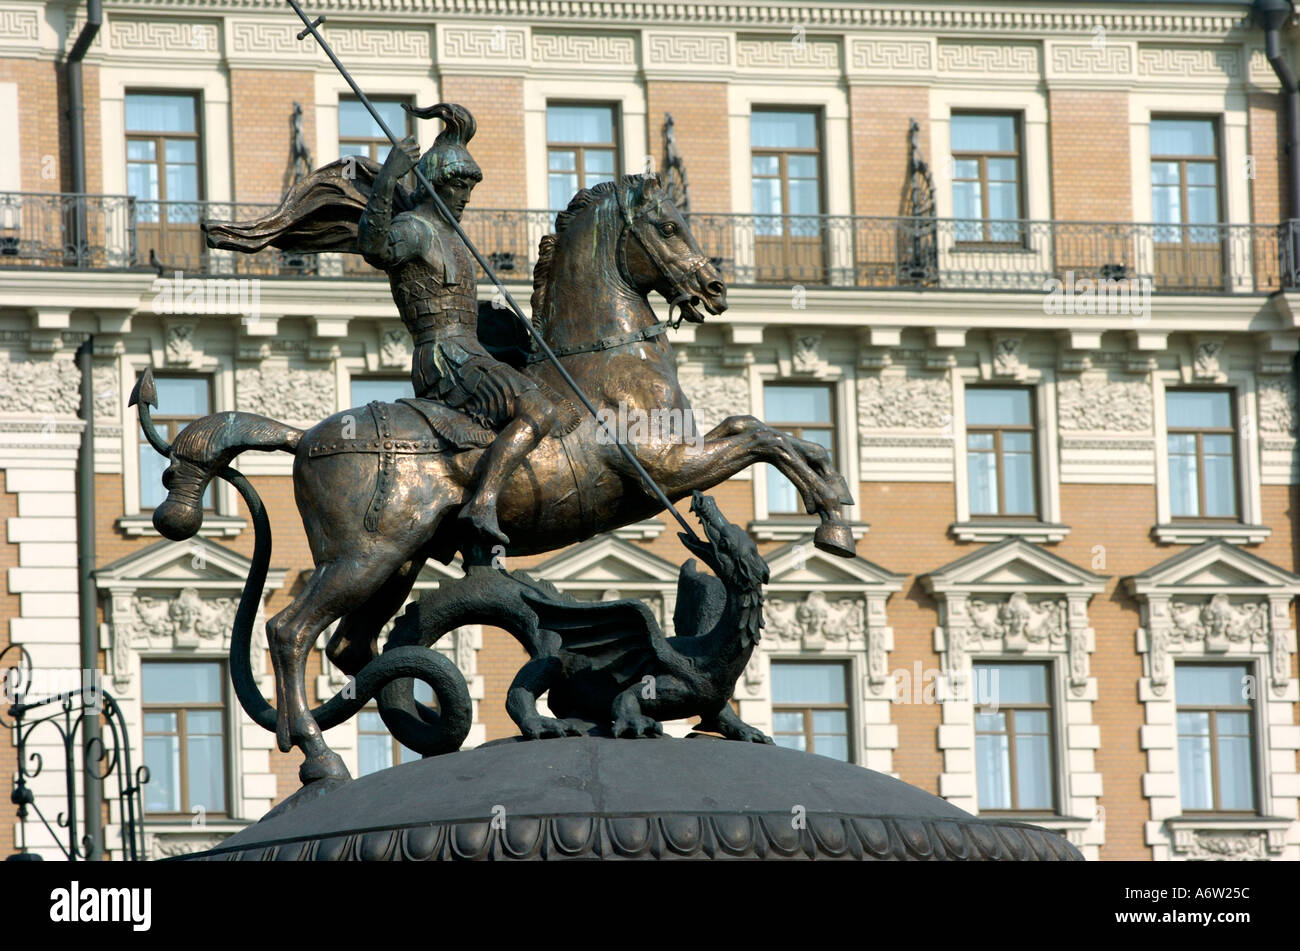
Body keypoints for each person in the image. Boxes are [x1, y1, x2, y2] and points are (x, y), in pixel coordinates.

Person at [358, 103, 561, 548]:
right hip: (444, 357)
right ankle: (482, 503)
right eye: (458, 186)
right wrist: (389, 179)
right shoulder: (413, 228)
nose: (466, 196)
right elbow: (373, 247)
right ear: (436, 184)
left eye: (470, 187)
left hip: (470, 350)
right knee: (540, 410)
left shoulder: (453, 236)